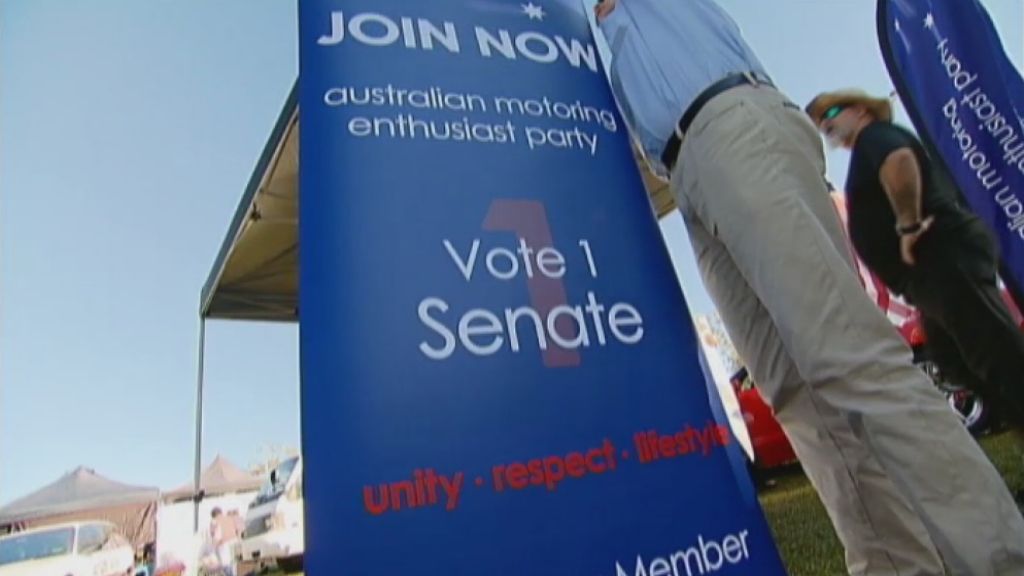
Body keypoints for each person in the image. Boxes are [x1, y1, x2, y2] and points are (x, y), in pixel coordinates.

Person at [594, 1, 1024, 574]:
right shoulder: (606, 40)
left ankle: (998, 557)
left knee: (852, 359)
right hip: (686, 172)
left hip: (730, 121)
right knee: (796, 395)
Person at [806, 88, 1024, 430]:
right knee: (954, 360)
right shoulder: (867, 149)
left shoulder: (875, 136)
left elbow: (900, 161)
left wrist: (908, 224)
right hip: (927, 277)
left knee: (996, 354)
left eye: (831, 113)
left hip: (941, 256)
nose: (825, 125)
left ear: (861, 109)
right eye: (820, 124)